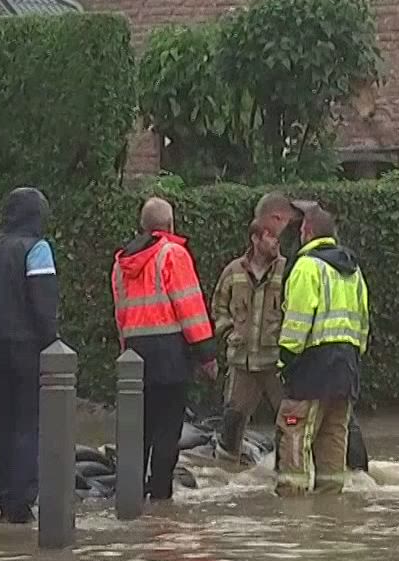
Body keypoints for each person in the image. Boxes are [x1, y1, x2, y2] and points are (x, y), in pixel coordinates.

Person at [113, 197, 217, 501]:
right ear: (170, 225)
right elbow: (190, 308)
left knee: (139, 428)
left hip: (134, 354)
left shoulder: (121, 264)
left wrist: (125, 352)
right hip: (170, 353)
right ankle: (160, 498)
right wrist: (207, 354)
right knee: (167, 430)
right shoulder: (173, 254)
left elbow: (121, 315)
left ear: (142, 227)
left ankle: (130, 497)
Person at [0, 187, 59, 524]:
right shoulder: (37, 249)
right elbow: (44, 306)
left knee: (1, 423)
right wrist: (52, 346)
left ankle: (5, 493)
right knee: (27, 423)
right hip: (27, 349)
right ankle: (21, 501)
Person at [276, 202, 371, 496]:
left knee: (294, 428)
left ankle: (294, 506)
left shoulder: (306, 266)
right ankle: (331, 509)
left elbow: (297, 321)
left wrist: (285, 360)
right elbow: (364, 322)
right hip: (347, 367)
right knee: (333, 436)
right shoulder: (353, 269)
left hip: (312, 368)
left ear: (307, 232)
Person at [213, 219, 286, 464]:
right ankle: (226, 474)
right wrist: (228, 334)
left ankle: (287, 469)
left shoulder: (287, 271)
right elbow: (218, 309)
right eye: (271, 236)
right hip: (241, 362)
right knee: (232, 420)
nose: (277, 242)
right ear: (255, 239)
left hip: (276, 363)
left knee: (289, 420)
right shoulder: (232, 272)